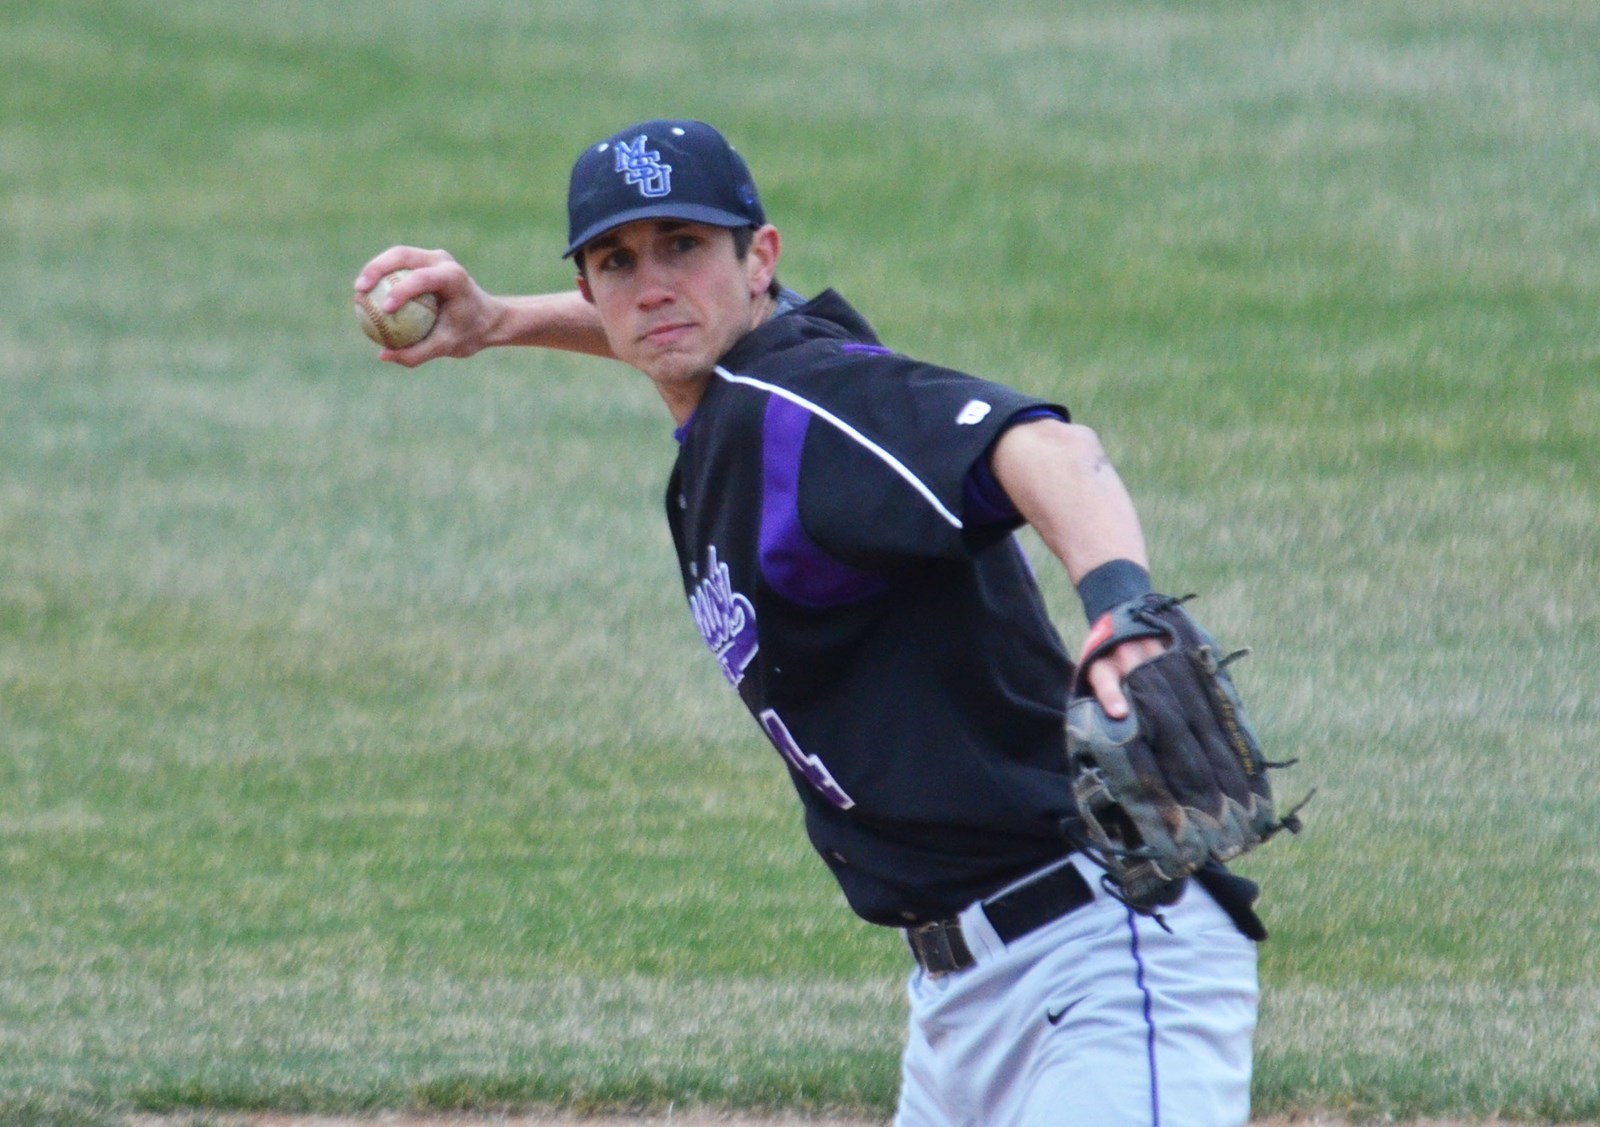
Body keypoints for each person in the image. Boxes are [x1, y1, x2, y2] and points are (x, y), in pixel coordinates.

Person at [356, 119, 1264, 1126]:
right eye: (618, 261)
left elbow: (1051, 446)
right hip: (960, 1008)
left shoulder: (811, 405)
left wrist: (1120, 607)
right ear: (587, 290)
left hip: (1098, 966)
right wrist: (495, 321)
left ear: (761, 258)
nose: (653, 284)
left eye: (685, 247)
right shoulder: (743, 397)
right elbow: (667, 332)